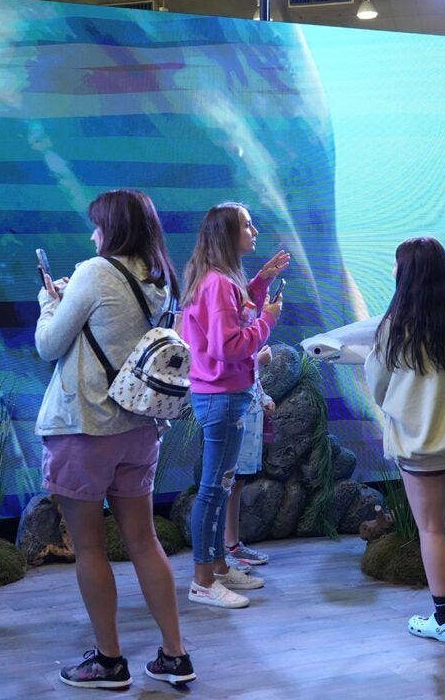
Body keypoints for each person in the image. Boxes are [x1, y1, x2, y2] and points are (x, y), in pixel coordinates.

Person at [34, 189, 194, 689]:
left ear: (114, 228)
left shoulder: (95, 271)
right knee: (144, 540)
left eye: (97, 225)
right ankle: (174, 654)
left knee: (89, 548)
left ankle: (108, 661)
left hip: (85, 428)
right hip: (139, 430)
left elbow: (48, 345)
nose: (92, 235)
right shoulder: (158, 280)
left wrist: (47, 304)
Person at [364, 237, 445, 645]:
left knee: (431, 530)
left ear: (406, 273)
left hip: (423, 445)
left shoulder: (393, 326)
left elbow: (379, 384)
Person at [181, 202, 289, 608]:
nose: (255, 230)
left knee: (219, 487)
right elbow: (230, 346)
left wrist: (261, 281)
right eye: (247, 225)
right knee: (213, 491)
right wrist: (271, 319)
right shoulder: (219, 283)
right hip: (222, 395)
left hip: (221, 394)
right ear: (228, 234)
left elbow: (237, 314)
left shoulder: (215, 279)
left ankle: (219, 568)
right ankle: (203, 581)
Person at [224, 344, 276, 572]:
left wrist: (264, 397)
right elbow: (222, 367)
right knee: (224, 484)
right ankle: (220, 551)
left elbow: (250, 378)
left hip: (248, 420)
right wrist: (258, 360)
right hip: (230, 414)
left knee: (237, 484)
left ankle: (232, 544)